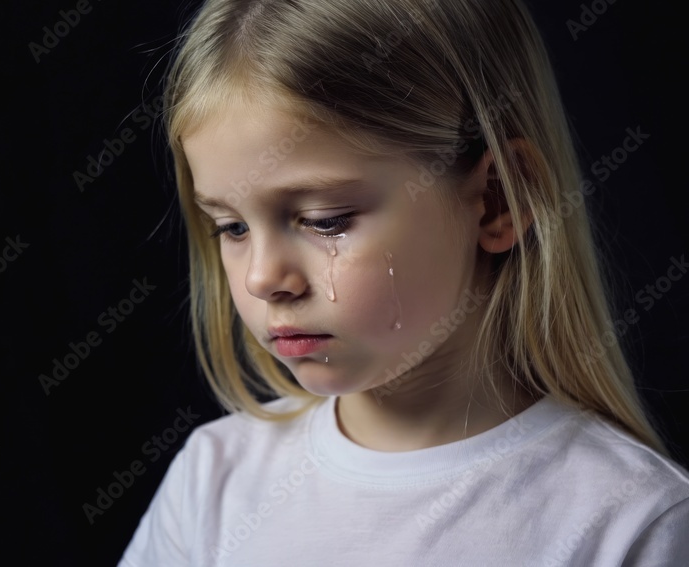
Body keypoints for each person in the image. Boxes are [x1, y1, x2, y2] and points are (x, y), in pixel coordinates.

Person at [119, 0, 689, 564]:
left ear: (497, 200)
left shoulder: (630, 521)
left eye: (325, 221)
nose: (263, 278)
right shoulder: (211, 484)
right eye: (232, 227)